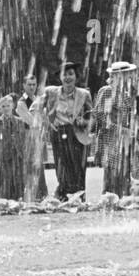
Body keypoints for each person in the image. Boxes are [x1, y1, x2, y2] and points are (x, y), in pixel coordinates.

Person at [45, 62, 93, 200]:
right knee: (61, 167)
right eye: (64, 75)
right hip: (58, 133)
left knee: (78, 167)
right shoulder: (51, 92)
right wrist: (46, 121)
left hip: (77, 133)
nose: (67, 78)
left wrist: (83, 122)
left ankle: (79, 197)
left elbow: (92, 116)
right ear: (60, 78)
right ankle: (63, 197)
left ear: (76, 76)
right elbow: (36, 108)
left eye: (70, 74)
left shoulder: (84, 94)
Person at [94, 61, 137, 196]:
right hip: (111, 140)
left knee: (124, 175)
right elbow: (101, 117)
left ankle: (122, 201)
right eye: (126, 74)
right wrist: (123, 130)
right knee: (112, 176)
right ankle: (109, 202)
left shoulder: (126, 94)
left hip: (124, 141)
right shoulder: (108, 91)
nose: (129, 77)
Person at [15, 74, 48, 202]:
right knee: (29, 167)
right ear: (24, 86)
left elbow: (44, 118)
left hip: (38, 136)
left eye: (34, 84)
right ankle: (30, 195)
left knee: (39, 165)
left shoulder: (38, 99)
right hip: (27, 136)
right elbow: (30, 121)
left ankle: (41, 193)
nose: (32, 87)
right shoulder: (21, 103)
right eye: (29, 84)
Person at [0, 94, 26, 201]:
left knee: (17, 177)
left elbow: (23, 139)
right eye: (3, 106)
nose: (6, 108)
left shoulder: (19, 122)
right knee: (3, 178)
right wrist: (1, 150)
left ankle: (18, 197)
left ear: (12, 106)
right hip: (3, 156)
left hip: (17, 155)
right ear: (0, 107)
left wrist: (18, 149)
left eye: (8, 106)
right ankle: (4, 198)